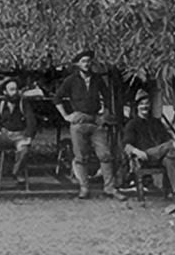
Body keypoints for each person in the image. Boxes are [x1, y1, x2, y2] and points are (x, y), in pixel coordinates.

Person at [53, 50, 125, 201]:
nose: (87, 64)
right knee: (80, 157)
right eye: (84, 61)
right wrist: (67, 116)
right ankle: (84, 187)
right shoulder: (70, 80)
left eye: (89, 61)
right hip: (79, 122)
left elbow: (107, 97)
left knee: (105, 154)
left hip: (95, 121)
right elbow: (57, 98)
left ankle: (109, 187)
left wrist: (104, 114)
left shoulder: (97, 79)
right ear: (77, 63)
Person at [123, 89, 175, 196]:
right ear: (137, 107)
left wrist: (173, 143)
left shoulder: (156, 122)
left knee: (169, 159)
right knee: (170, 146)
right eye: (141, 104)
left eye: (147, 104)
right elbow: (126, 145)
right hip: (145, 155)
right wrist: (137, 151)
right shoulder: (132, 124)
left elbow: (167, 138)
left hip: (160, 156)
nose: (145, 107)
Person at [0, 78, 36, 184]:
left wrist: (28, 138)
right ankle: (0, 167)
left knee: (24, 151)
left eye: (16, 89)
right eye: (12, 90)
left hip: (20, 136)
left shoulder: (23, 104)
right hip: (5, 135)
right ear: (5, 92)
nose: (15, 92)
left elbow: (31, 121)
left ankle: (16, 172)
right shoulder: (1, 104)